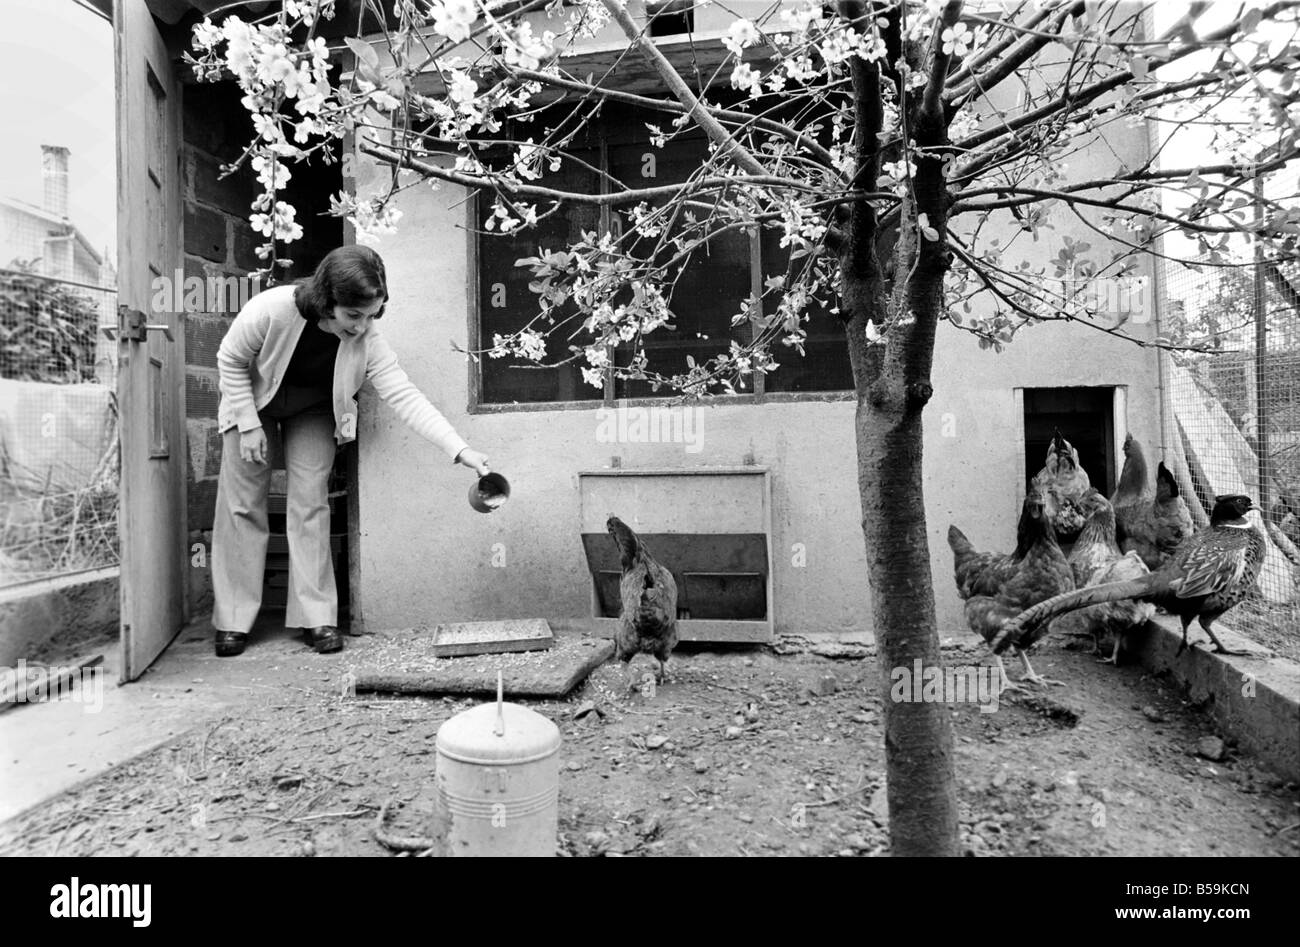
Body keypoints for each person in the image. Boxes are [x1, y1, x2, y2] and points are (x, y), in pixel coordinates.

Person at [211, 246, 489, 656]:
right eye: (353, 316)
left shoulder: (368, 337)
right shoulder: (270, 309)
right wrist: (249, 424)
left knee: (310, 503)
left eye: (372, 315)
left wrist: (460, 449)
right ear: (327, 302)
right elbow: (230, 360)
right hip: (251, 404)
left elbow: (405, 395)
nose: (362, 327)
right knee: (242, 504)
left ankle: (316, 616)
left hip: (314, 410)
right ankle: (234, 618)